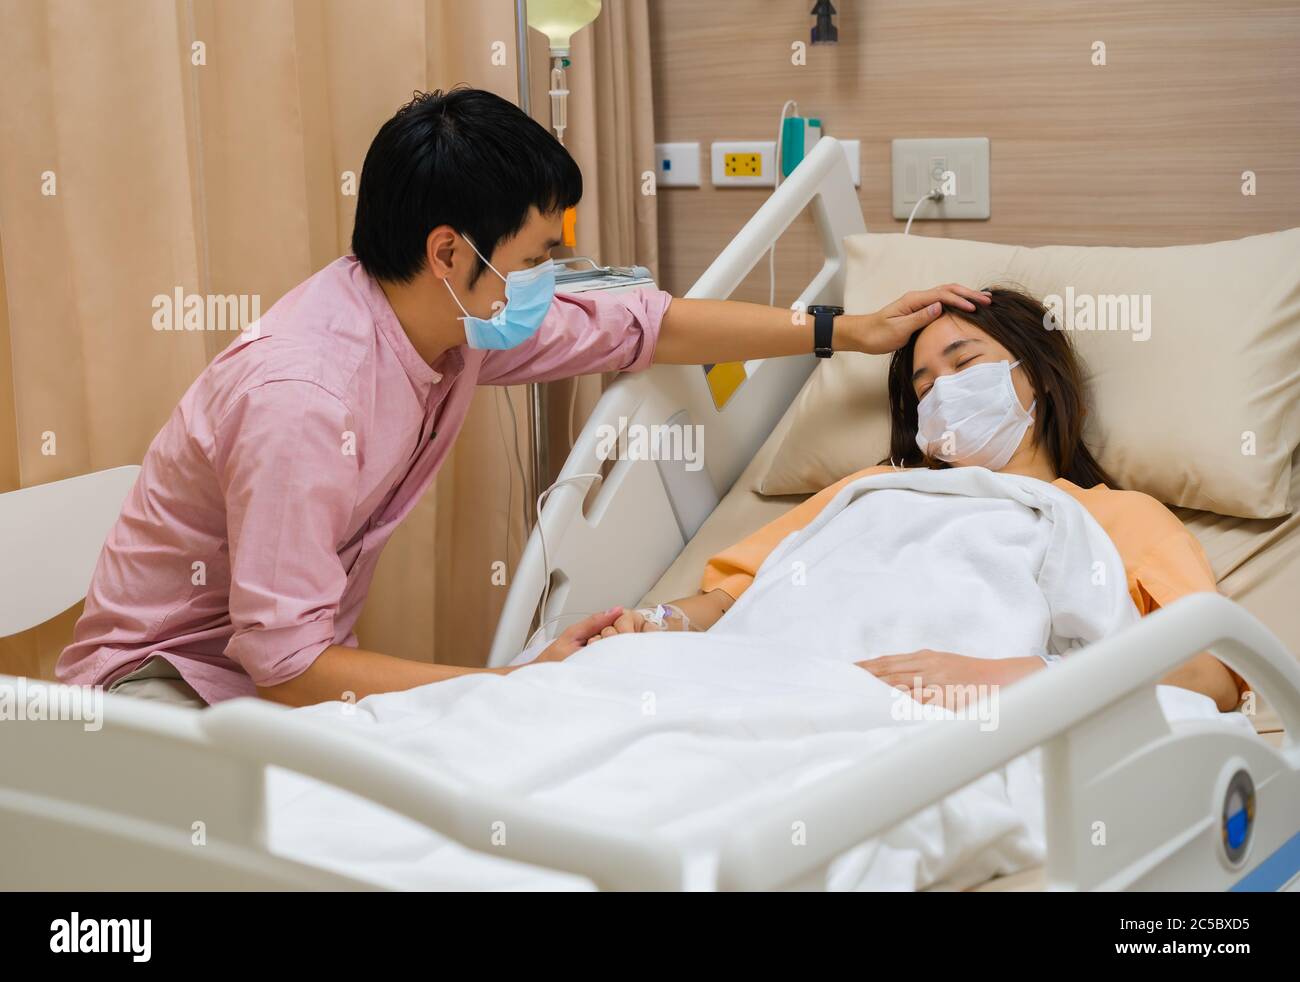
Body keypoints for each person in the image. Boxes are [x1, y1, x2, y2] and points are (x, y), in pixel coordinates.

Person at [56, 86, 987, 709]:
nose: (557, 277)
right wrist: (505, 687)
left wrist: (840, 330)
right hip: (160, 694)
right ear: (451, 252)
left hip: (266, 684)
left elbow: (645, 326)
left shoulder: (448, 324)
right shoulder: (306, 399)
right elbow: (289, 662)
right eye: (543, 255)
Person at [591, 287, 1247, 713]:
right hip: (758, 689)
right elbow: (732, 601)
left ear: (1040, 376)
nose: (942, 395)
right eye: (924, 387)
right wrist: (648, 624)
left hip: (932, 719)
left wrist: (1004, 678)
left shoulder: (1116, 516)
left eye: (964, 365)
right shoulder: (869, 489)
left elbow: (1213, 677)